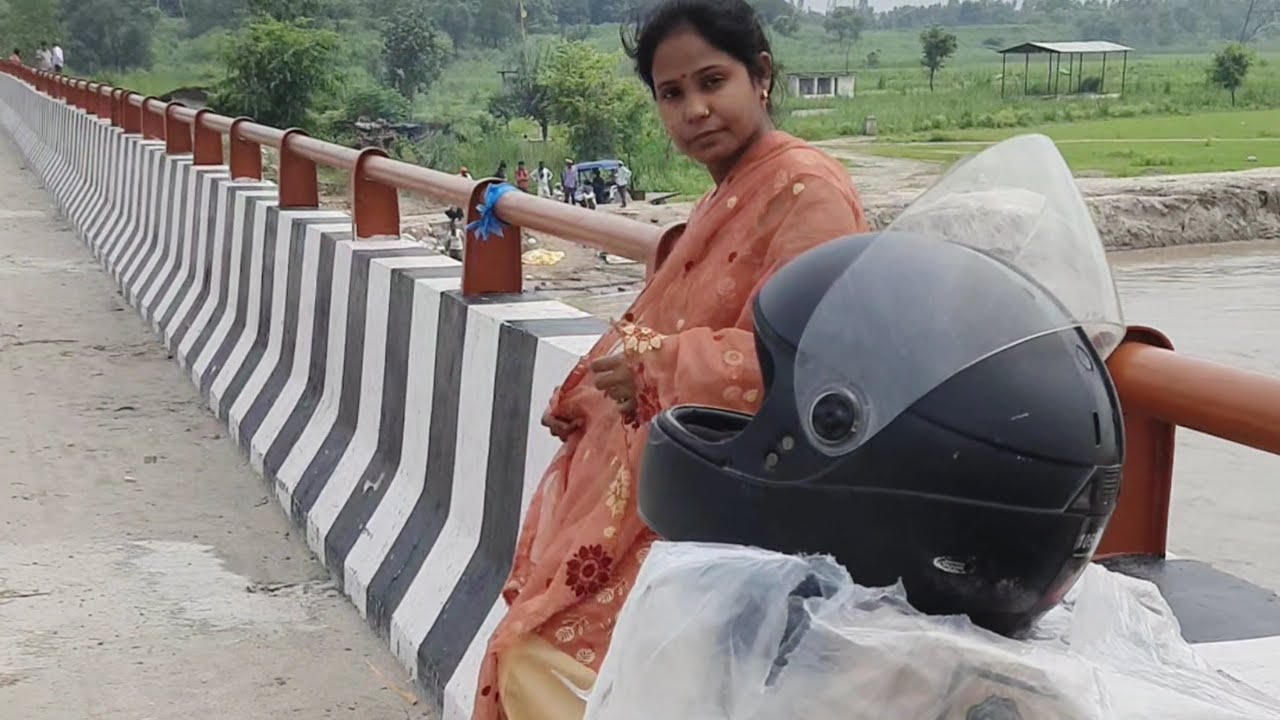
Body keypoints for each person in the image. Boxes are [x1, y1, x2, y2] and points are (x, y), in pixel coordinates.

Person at [471, 1, 867, 718]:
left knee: (545, 655)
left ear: (762, 76)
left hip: (735, 505)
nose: (695, 110)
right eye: (672, 94)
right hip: (679, 488)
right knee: (539, 649)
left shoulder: (806, 189)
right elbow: (666, 316)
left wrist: (659, 361)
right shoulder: (730, 190)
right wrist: (592, 389)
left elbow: (816, 369)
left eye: (713, 81)